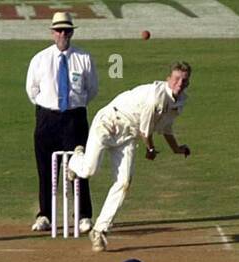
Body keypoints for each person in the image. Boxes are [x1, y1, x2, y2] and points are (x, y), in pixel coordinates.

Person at [67, 62, 193, 251]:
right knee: (89, 170)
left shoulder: (179, 102)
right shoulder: (155, 97)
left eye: (183, 80)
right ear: (168, 79)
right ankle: (75, 159)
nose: (179, 83)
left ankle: (99, 231)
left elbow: (166, 128)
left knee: (124, 182)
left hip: (128, 136)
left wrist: (176, 148)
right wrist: (150, 150)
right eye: (176, 79)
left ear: (188, 83)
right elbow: (146, 132)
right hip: (110, 123)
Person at [26, 12, 98, 234]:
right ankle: (45, 215)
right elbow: (32, 90)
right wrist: (49, 107)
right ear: (52, 32)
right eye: (59, 30)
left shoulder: (83, 58)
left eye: (67, 30)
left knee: (80, 167)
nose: (63, 34)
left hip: (75, 119)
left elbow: (92, 89)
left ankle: (84, 215)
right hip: (47, 118)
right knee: (47, 168)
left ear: (72, 32)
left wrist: (74, 106)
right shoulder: (40, 59)